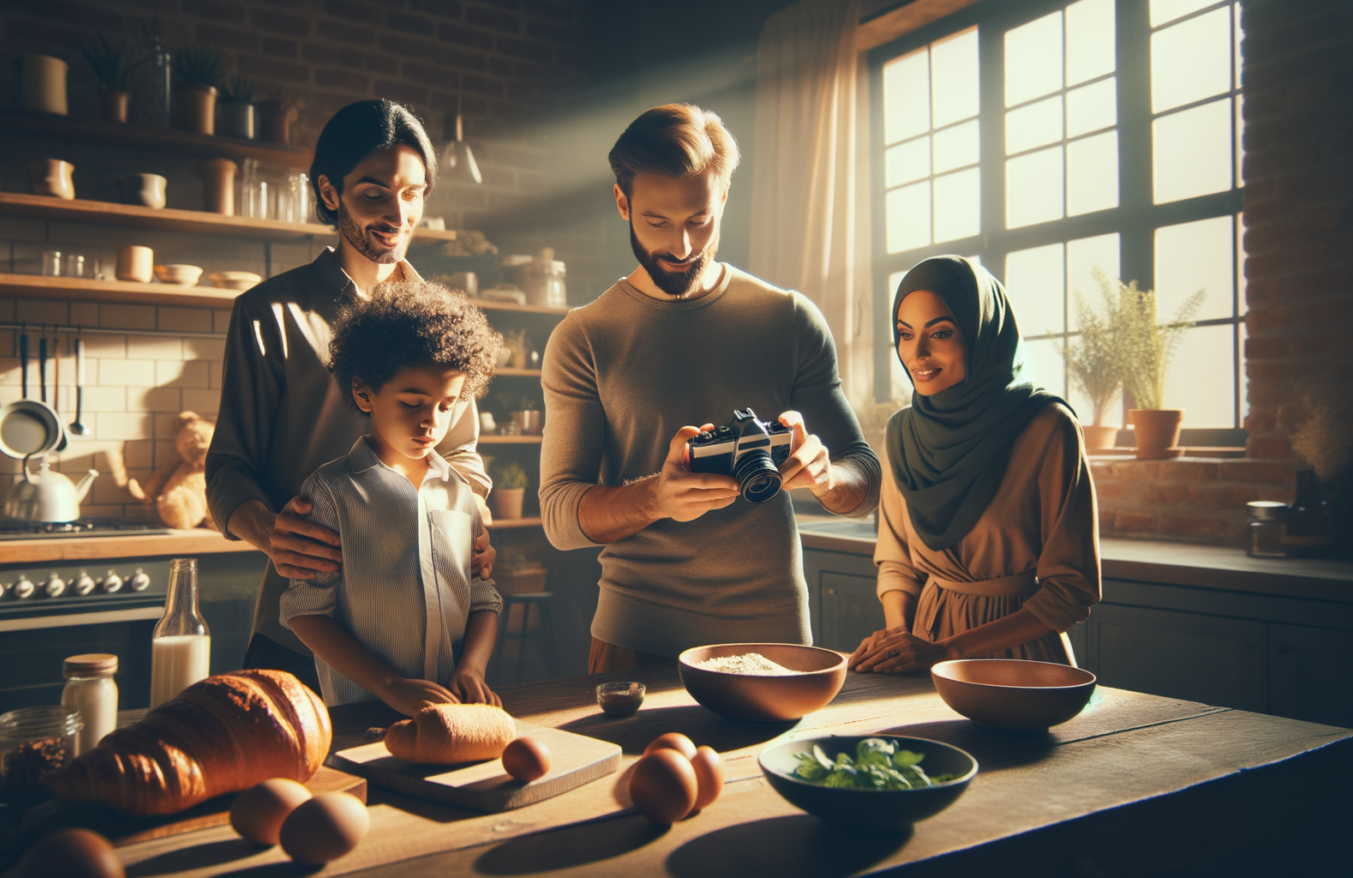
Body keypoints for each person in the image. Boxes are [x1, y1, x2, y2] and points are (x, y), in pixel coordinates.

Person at [539, 103, 881, 673]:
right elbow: (558, 516)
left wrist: (826, 476)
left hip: (773, 633)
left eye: (700, 219)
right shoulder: (584, 336)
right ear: (622, 203)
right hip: (635, 632)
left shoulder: (790, 318)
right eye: (657, 222)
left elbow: (864, 481)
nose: (681, 245)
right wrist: (658, 497)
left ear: (723, 198)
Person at [207, 100, 493, 693]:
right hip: (304, 629)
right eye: (374, 194)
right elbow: (228, 470)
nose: (398, 213)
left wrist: (472, 520)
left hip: (425, 633)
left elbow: (463, 455)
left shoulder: (443, 318)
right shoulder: (269, 314)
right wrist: (271, 532)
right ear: (330, 192)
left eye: (413, 194)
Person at [849, 256, 1101, 673]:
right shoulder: (901, 433)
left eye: (941, 333)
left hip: (1018, 661)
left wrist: (946, 651)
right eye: (906, 335)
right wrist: (899, 638)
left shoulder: (1048, 427)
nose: (918, 354)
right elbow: (896, 562)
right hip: (920, 656)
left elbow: (1071, 590)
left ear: (983, 333)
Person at [281, 282, 504, 715]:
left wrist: (473, 669)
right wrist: (391, 686)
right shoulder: (330, 494)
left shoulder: (459, 492)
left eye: (446, 405)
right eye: (412, 403)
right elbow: (306, 613)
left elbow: (483, 597)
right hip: (361, 713)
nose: (431, 423)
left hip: (454, 708)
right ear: (365, 394)